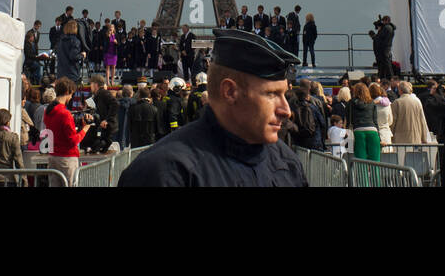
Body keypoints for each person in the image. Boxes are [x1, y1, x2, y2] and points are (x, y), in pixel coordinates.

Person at [118, 28, 307, 186]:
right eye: (271, 94)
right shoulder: (163, 173)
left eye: (283, 94)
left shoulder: (288, 163)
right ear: (230, 91)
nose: (286, 110)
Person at [44, 77, 91, 186]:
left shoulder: (48, 111)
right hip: (66, 158)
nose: (71, 97)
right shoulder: (64, 113)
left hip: (53, 157)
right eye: (71, 94)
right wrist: (85, 129)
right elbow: (73, 140)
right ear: (67, 92)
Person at [347, 81, 381, 161]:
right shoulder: (372, 103)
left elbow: (349, 121)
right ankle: (376, 174)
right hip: (373, 131)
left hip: (358, 131)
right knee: (375, 161)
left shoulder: (351, 103)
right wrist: (379, 137)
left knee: (361, 162)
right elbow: (375, 121)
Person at [369, 15, 395, 80]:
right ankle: (386, 77)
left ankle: (389, 77)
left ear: (386, 21)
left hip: (384, 49)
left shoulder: (386, 28)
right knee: (385, 63)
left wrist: (374, 36)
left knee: (385, 63)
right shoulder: (389, 28)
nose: (382, 22)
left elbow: (379, 38)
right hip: (385, 48)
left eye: (383, 21)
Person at [373, 82, 394, 148]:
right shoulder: (388, 104)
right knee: (388, 157)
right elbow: (390, 121)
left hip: (374, 133)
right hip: (386, 133)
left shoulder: (369, 105)